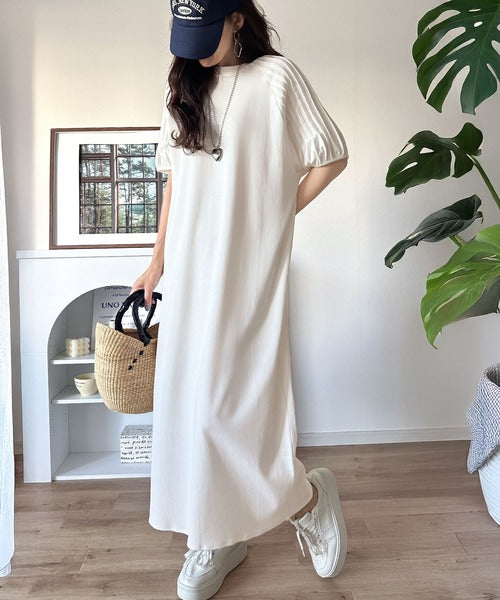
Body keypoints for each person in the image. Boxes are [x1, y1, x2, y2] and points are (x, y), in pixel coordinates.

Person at [131, 1, 349, 598]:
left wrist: (276, 215)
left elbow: (331, 154)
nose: (196, 51)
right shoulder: (184, 87)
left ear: (235, 18)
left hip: (248, 267)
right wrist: (157, 260)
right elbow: (175, 179)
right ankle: (215, 535)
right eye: (186, 37)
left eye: (206, 33)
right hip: (190, 272)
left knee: (234, 405)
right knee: (190, 407)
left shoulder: (276, 78)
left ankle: (307, 499)